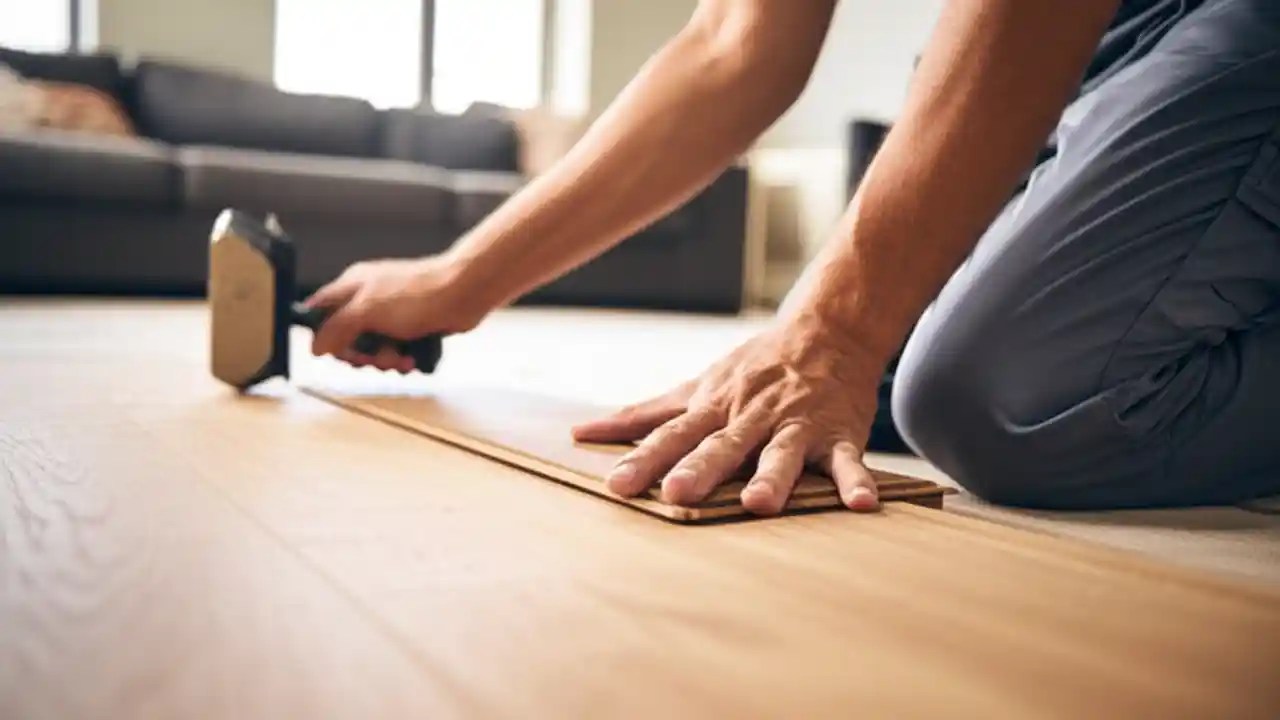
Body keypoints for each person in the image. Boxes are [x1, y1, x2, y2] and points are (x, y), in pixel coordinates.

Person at [304, 0, 1280, 515]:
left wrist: (835, 326)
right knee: (880, 392)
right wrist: (459, 278)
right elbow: (735, 42)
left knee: (992, 399)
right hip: (1114, 40)